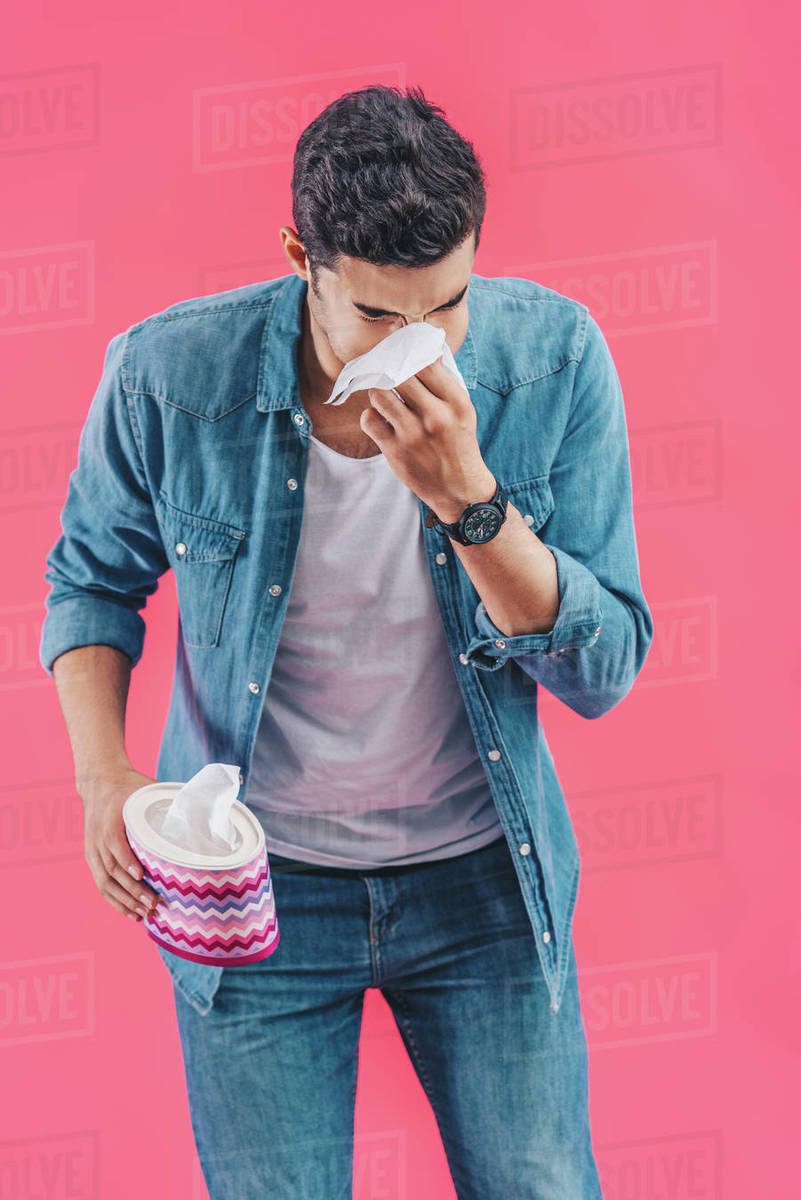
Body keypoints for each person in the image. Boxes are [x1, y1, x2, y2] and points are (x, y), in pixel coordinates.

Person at [39, 84, 653, 1199]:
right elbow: (90, 580)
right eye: (377, 315)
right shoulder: (169, 376)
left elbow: (602, 670)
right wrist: (102, 776)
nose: (417, 345)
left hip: (482, 880)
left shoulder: (554, 359)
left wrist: (469, 502)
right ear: (300, 259)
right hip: (257, 881)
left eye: (447, 305)